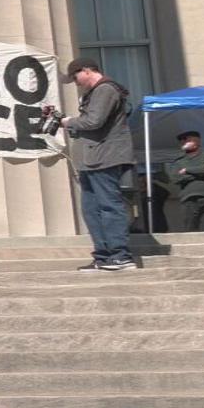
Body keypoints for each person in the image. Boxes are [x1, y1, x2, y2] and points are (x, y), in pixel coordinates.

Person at [50, 58, 137, 271]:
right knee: (91, 209)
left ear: (87, 70)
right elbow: (91, 125)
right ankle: (103, 256)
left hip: (105, 158)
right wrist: (64, 122)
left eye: (75, 76)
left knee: (109, 205)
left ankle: (120, 256)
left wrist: (66, 121)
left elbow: (93, 121)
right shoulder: (95, 93)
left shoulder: (105, 89)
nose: (75, 82)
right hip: (91, 160)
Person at [168, 131, 204, 231]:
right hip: (189, 198)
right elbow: (175, 178)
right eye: (181, 140)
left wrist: (187, 170)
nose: (183, 142)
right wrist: (203, 170)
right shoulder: (178, 161)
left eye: (187, 139)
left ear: (198, 141)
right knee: (190, 229)